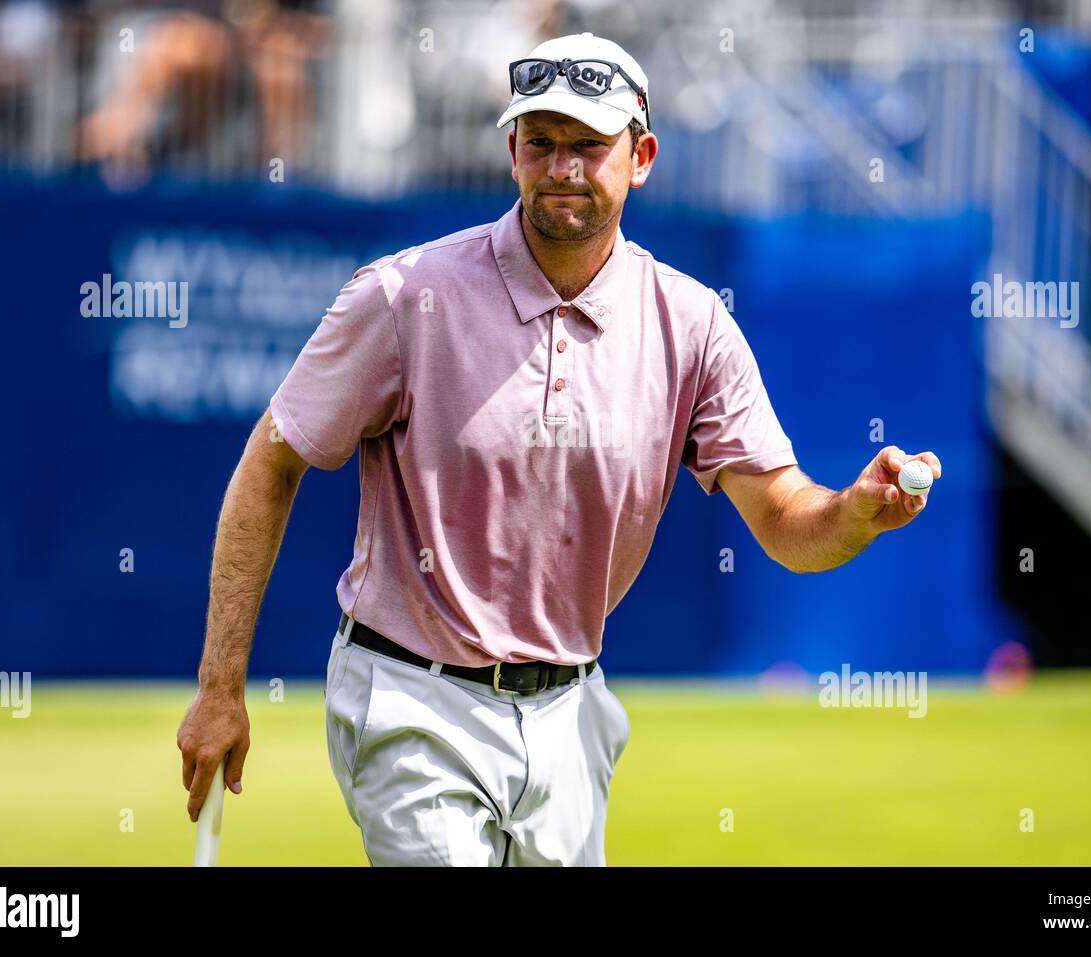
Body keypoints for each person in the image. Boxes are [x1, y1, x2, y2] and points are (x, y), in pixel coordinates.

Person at [176, 32, 942, 866]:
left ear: (641, 156)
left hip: (573, 712)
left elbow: (787, 518)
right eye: (540, 143)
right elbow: (272, 460)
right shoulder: (404, 296)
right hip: (409, 700)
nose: (562, 167)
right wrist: (220, 687)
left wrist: (854, 513)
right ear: (512, 152)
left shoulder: (693, 325)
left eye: (588, 144)